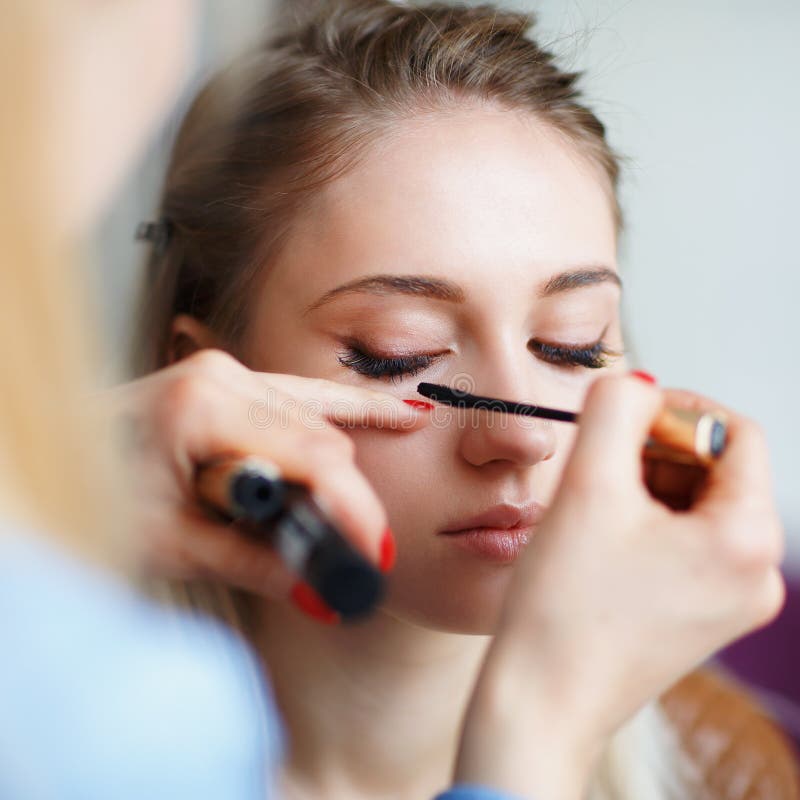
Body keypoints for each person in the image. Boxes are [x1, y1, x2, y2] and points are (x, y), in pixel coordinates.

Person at [122, 2, 787, 799]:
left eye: (573, 344)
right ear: (202, 378)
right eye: (395, 353)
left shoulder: (724, 770)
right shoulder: (59, 746)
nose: (521, 437)